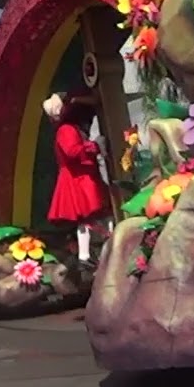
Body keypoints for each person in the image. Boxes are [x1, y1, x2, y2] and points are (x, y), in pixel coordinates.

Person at [44, 88, 110, 266]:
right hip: (78, 179)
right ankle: (88, 253)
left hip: (83, 175)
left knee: (90, 217)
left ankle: (88, 253)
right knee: (89, 215)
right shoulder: (66, 129)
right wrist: (94, 146)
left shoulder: (70, 129)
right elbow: (72, 151)